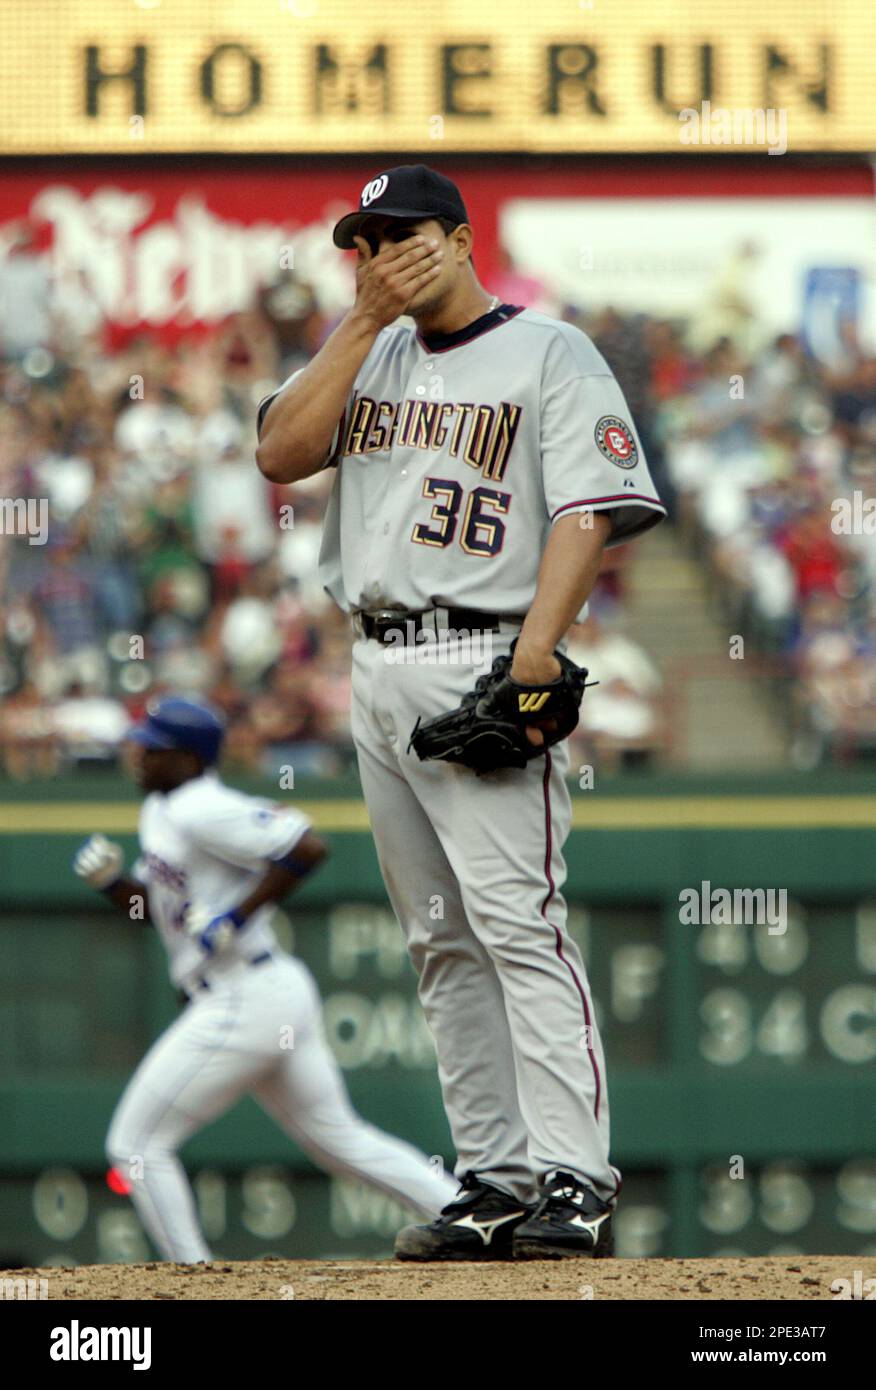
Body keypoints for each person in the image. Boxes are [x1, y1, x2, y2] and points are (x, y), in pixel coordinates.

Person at [255, 165, 666, 1260]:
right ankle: (493, 1175)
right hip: (377, 664)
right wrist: (358, 322)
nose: (381, 254)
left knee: (520, 926)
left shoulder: (549, 351)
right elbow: (279, 451)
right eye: (365, 240)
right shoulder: (368, 348)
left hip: (483, 649)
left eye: (402, 234)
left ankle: (573, 1178)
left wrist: (535, 651)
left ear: (459, 237)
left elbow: (589, 505)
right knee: (440, 943)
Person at [73, 694, 456, 1263]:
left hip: (243, 994)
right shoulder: (161, 809)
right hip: (263, 994)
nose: (138, 756)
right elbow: (158, 909)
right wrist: (113, 887)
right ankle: (462, 1215)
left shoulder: (203, 806)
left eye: (152, 749)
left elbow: (306, 844)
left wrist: (234, 917)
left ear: (185, 758)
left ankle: (193, 1276)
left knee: (135, 1145)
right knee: (338, 1139)